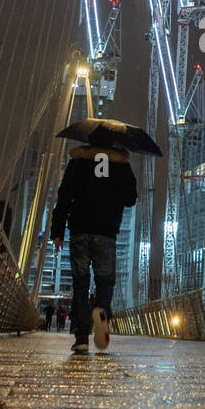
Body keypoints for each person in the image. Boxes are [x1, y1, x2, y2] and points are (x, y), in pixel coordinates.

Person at [51, 131, 138, 354]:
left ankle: (81, 337)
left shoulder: (77, 162)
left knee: (80, 284)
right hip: (106, 231)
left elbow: (64, 197)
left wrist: (57, 231)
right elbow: (131, 199)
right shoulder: (121, 165)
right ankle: (101, 311)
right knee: (105, 280)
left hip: (79, 230)